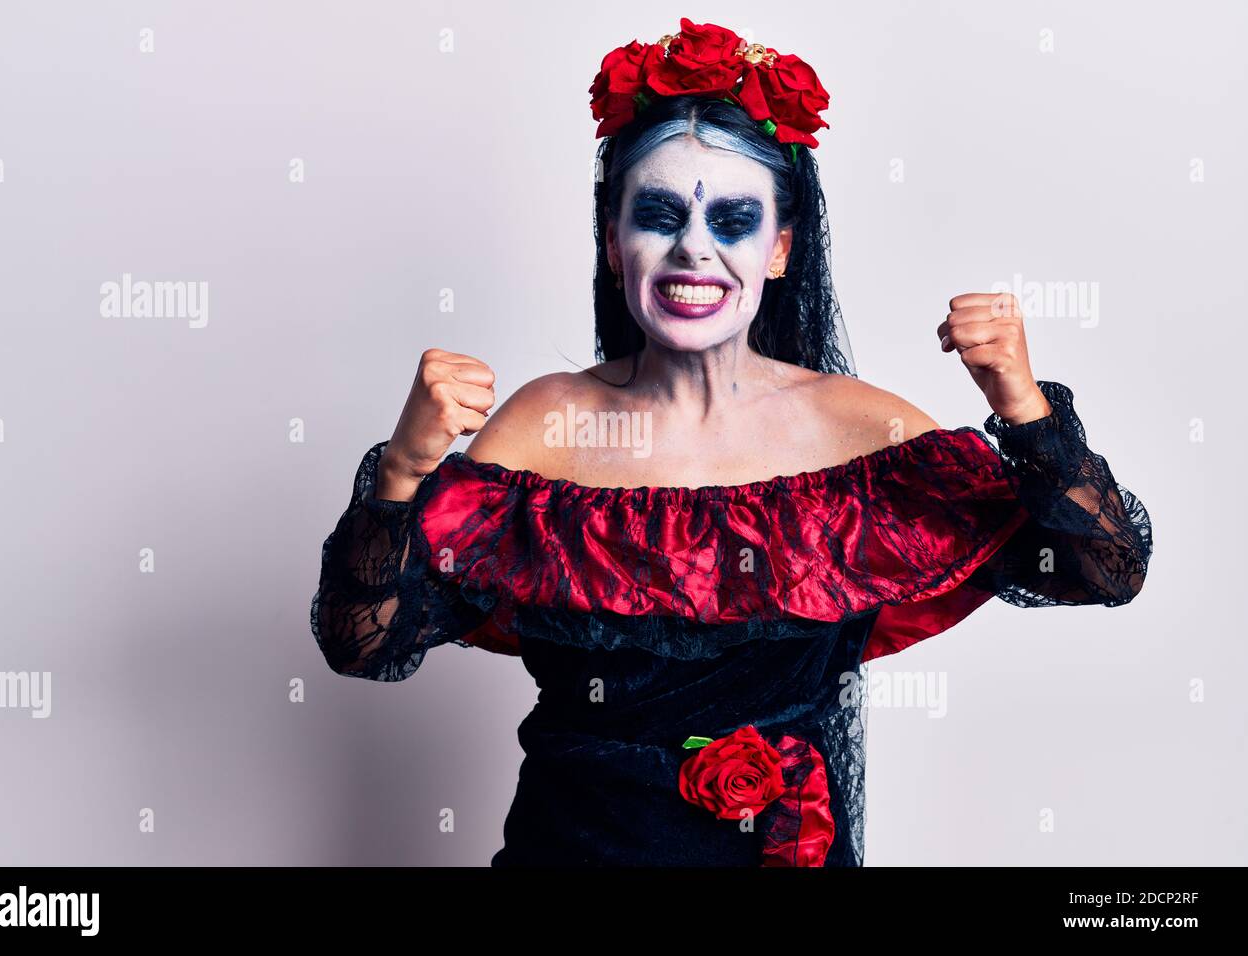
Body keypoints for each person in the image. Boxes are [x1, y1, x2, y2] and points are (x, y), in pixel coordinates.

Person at [309, 18, 1153, 866]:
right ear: (614, 241)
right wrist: (404, 469)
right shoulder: (540, 424)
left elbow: (1101, 570)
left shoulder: (861, 433)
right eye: (660, 214)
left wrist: (1025, 406)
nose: (693, 250)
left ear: (781, 248)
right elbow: (364, 642)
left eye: (734, 220)